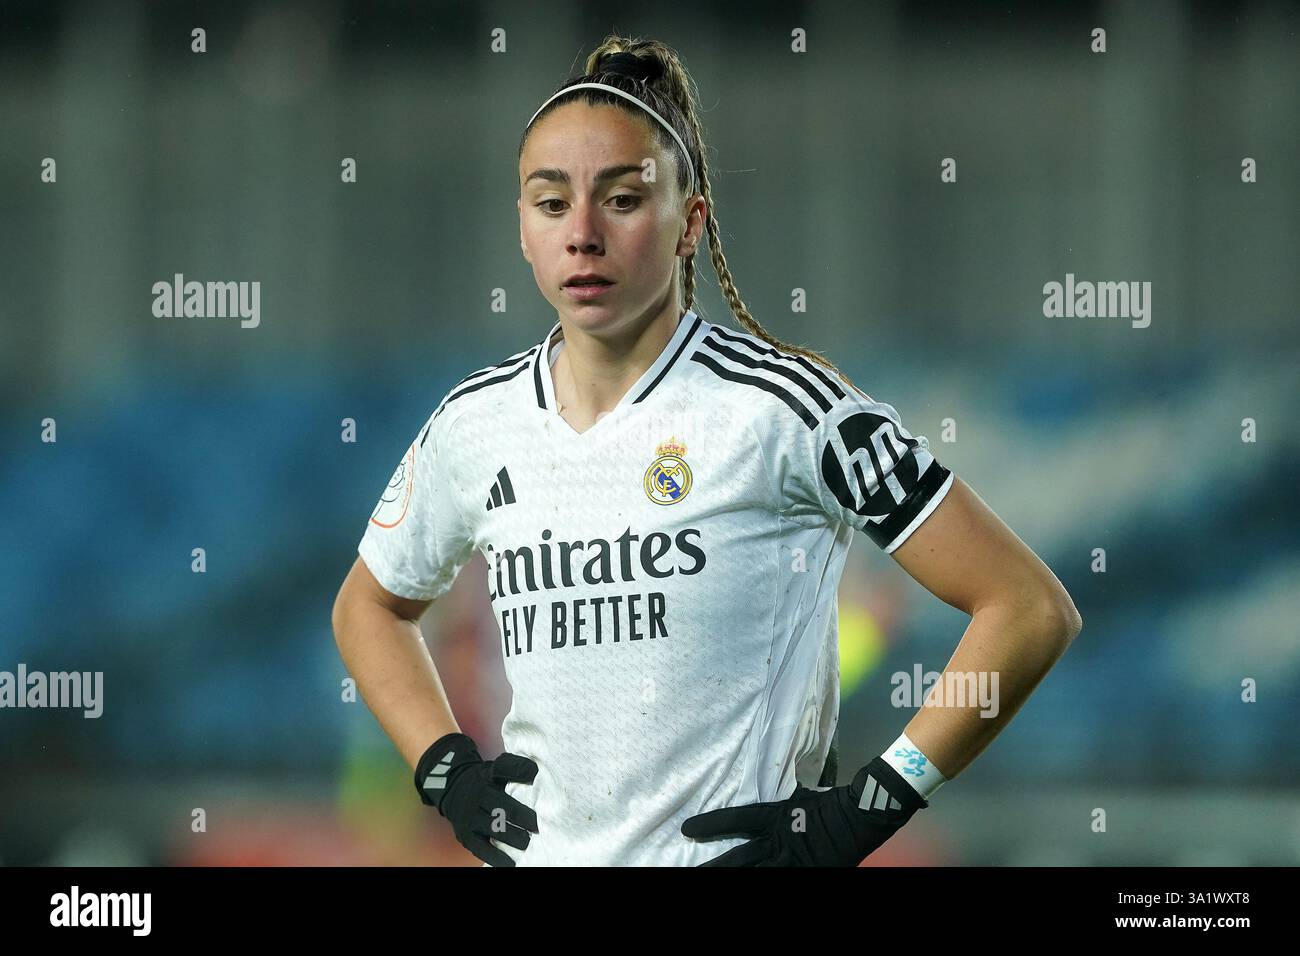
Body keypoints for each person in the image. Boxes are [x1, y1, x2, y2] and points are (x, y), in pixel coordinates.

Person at [331, 35, 1082, 867]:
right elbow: (367, 607)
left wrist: (869, 808)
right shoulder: (475, 424)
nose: (582, 233)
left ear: (689, 224)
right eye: (551, 203)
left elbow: (1026, 607)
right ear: (522, 228)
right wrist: (447, 772)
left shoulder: (786, 411)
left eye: (621, 199)